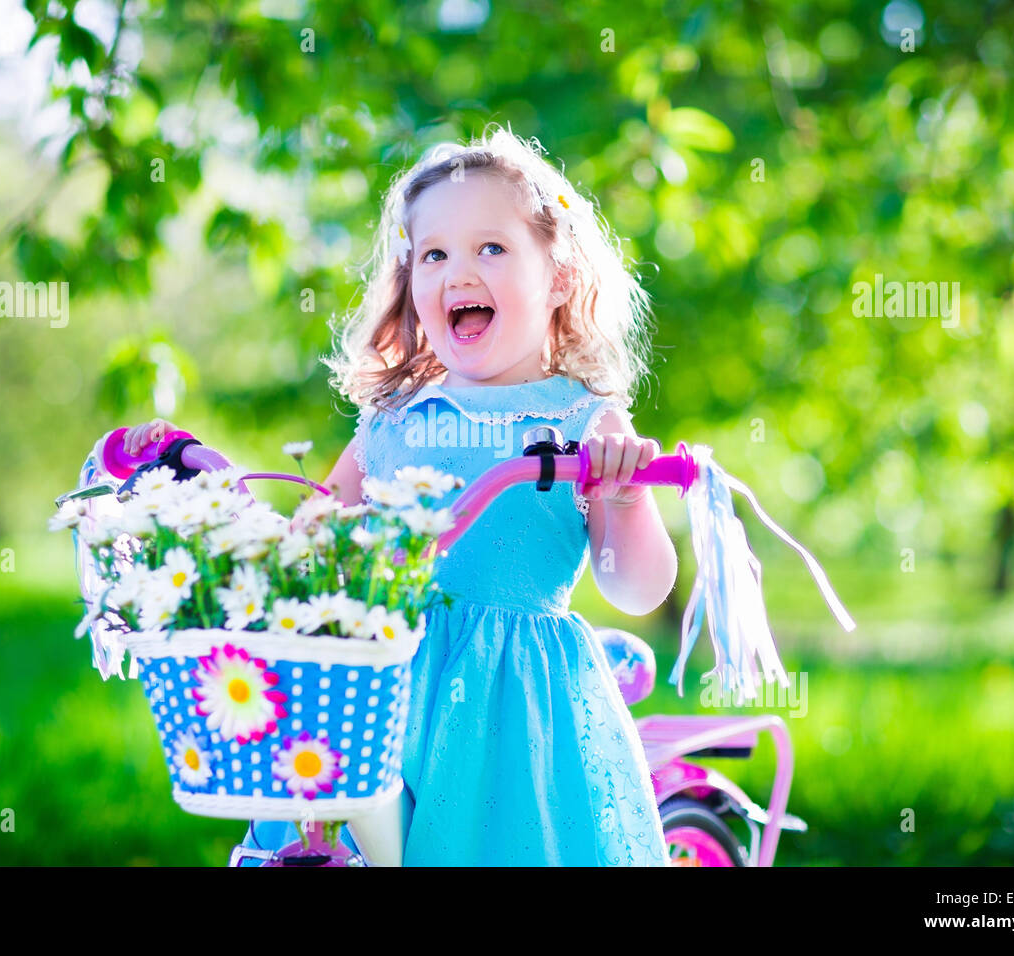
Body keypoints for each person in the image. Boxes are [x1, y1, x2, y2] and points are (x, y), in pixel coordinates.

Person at [126, 124, 677, 865]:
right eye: (434, 254)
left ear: (561, 277)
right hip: (381, 691)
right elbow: (311, 542)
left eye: (492, 247)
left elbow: (637, 588)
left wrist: (623, 495)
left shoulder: (584, 421)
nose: (458, 271)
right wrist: (216, 500)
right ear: (411, 281)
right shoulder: (392, 422)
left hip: (512, 713)